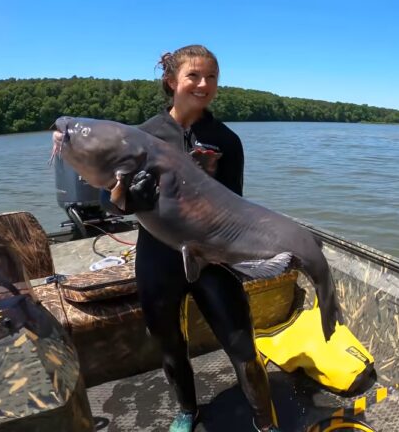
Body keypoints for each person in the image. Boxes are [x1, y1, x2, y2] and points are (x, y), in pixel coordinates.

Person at [126, 45, 280, 432]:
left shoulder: (226, 140)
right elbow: (110, 198)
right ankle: (187, 410)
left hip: (213, 257)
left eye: (211, 76)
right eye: (194, 75)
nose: (203, 84)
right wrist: (132, 196)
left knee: (242, 345)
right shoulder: (142, 135)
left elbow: (236, 209)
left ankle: (266, 421)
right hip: (158, 256)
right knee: (169, 344)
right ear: (171, 81)